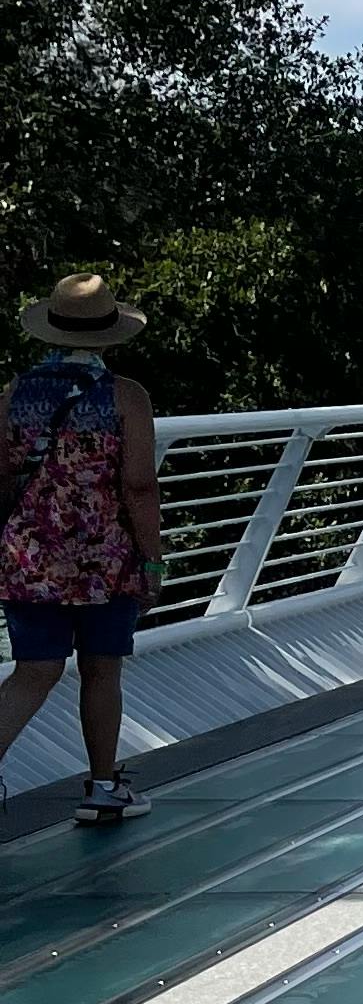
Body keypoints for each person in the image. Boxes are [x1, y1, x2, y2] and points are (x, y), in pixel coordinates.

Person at [0, 272, 162, 828]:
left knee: (34, 671)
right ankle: (103, 788)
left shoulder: (15, 394)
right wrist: (152, 560)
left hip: (30, 560)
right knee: (102, 668)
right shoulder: (125, 396)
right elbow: (139, 486)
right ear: (109, 334)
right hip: (105, 561)